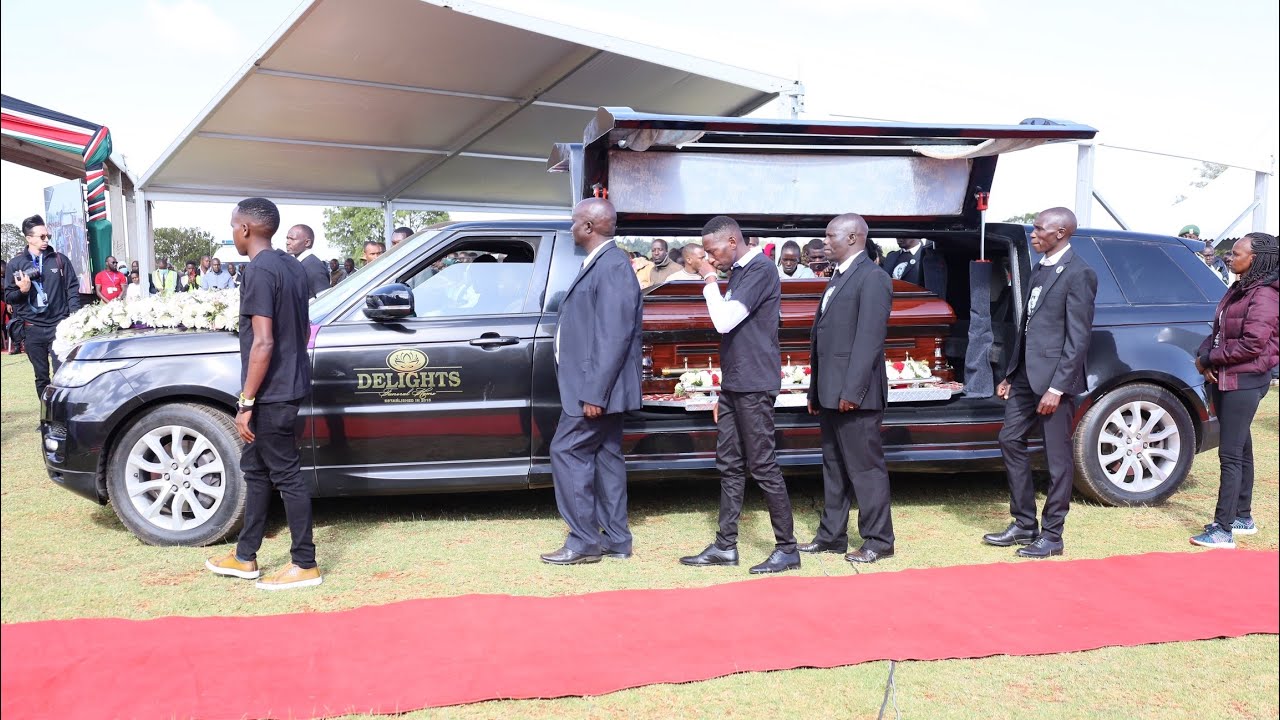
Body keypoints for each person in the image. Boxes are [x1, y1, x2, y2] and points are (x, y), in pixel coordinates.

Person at [206, 197, 320, 590]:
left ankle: (305, 563)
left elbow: (263, 342)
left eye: (233, 225)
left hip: (271, 392)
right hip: (290, 383)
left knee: (286, 474)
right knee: (255, 470)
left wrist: (247, 402)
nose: (232, 232)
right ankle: (245, 556)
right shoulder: (291, 265)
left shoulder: (258, 270)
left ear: (246, 229)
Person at [680, 215, 799, 574]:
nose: (711, 258)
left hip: (754, 385)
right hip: (735, 385)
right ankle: (725, 545)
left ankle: (787, 548)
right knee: (729, 465)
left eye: (713, 250)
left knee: (762, 465)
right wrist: (723, 390)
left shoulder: (760, 269)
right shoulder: (741, 272)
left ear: (732, 242)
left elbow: (724, 321)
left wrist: (708, 278)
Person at [984, 207, 1097, 558]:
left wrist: (1057, 388)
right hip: (1025, 376)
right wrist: (1011, 373)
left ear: (1060, 232)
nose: (1032, 235)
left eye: (1038, 230)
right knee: (1009, 439)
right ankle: (1023, 524)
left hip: (1053, 384)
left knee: (1057, 458)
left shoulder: (1080, 273)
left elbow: (1078, 339)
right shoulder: (1040, 269)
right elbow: (1027, 327)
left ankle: (1052, 535)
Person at [541, 197, 643, 565]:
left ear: (588, 227)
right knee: (605, 457)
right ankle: (616, 539)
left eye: (573, 223)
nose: (570, 228)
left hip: (595, 388)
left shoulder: (612, 265)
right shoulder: (604, 263)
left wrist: (594, 393)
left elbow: (613, 335)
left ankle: (584, 541)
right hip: (595, 386)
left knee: (565, 451)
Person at [801, 213, 896, 564]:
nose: (824, 243)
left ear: (854, 237)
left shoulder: (872, 278)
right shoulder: (839, 277)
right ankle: (831, 536)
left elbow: (869, 341)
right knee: (834, 467)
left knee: (865, 470)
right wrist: (815, 390)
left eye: (830, 236)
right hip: (829, 392)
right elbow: (823, 339)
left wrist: (851, 393)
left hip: (856, 396)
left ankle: (879, 540)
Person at [1190, 232, 1279, 548]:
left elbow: (1253, 344)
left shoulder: (1265, 296)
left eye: (1237, 253)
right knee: (1241, 449)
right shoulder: (1240, 289)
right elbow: (1217, 332)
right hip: (1227, 378)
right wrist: (1205, 356)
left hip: (1245, 381)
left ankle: (1223, 529)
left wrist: (1209, 358)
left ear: (1255, 259)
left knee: (1230, 454)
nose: (1230, 257)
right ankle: (1242, 517)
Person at [4, 214, 81, 400]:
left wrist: (74, 318)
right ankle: (47, 419)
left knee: (62, 374)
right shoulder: (15, 264)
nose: (46, 240)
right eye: (42, 237)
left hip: (59, 326)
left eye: (48, 236)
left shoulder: (59, 260)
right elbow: (9, 296)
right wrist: (23, 291)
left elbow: (72, 289)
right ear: (29, 238)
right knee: (41, 377)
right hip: (32, 328)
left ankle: (64, 417)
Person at [883, 237, 947, 297]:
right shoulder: (891, 256)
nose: (898, 237)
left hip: (916, 303)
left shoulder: (928, 258)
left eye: (903, 234)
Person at [284, 224, 329, 298]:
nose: (287, 242)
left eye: (292, 239)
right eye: (287, 238)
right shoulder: (302, 264)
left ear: (307, 242)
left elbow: (325, 299)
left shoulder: (312, 266)